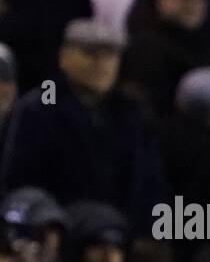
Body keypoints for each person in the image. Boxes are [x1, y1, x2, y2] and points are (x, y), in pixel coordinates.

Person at [1, 18, 168, 234]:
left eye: (110, 55)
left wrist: (149, 232)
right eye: (91, 54)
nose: (102, 64)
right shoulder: (40, 108)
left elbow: (150, 182)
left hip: (122, 236)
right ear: (64, 57)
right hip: (61, 233)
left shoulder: (132, 112)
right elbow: (22, 181)